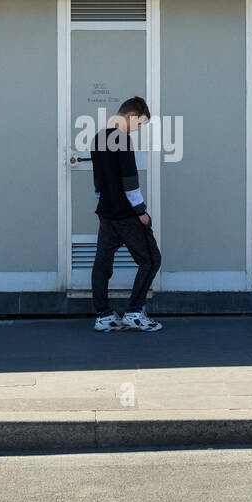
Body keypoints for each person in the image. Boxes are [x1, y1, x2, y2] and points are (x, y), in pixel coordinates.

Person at [90, 97, 162, 332]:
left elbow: (98, 181)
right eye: (139, 124)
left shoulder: (98, 137)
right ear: (131, 116)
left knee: (102, 263)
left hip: (107, 213)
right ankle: (134, 312)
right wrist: (141, 211)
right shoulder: (122, 138)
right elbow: (130, 181)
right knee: (150, 260)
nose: (138, 128)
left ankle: (103, 315)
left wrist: (104, 204)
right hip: (126, 214)